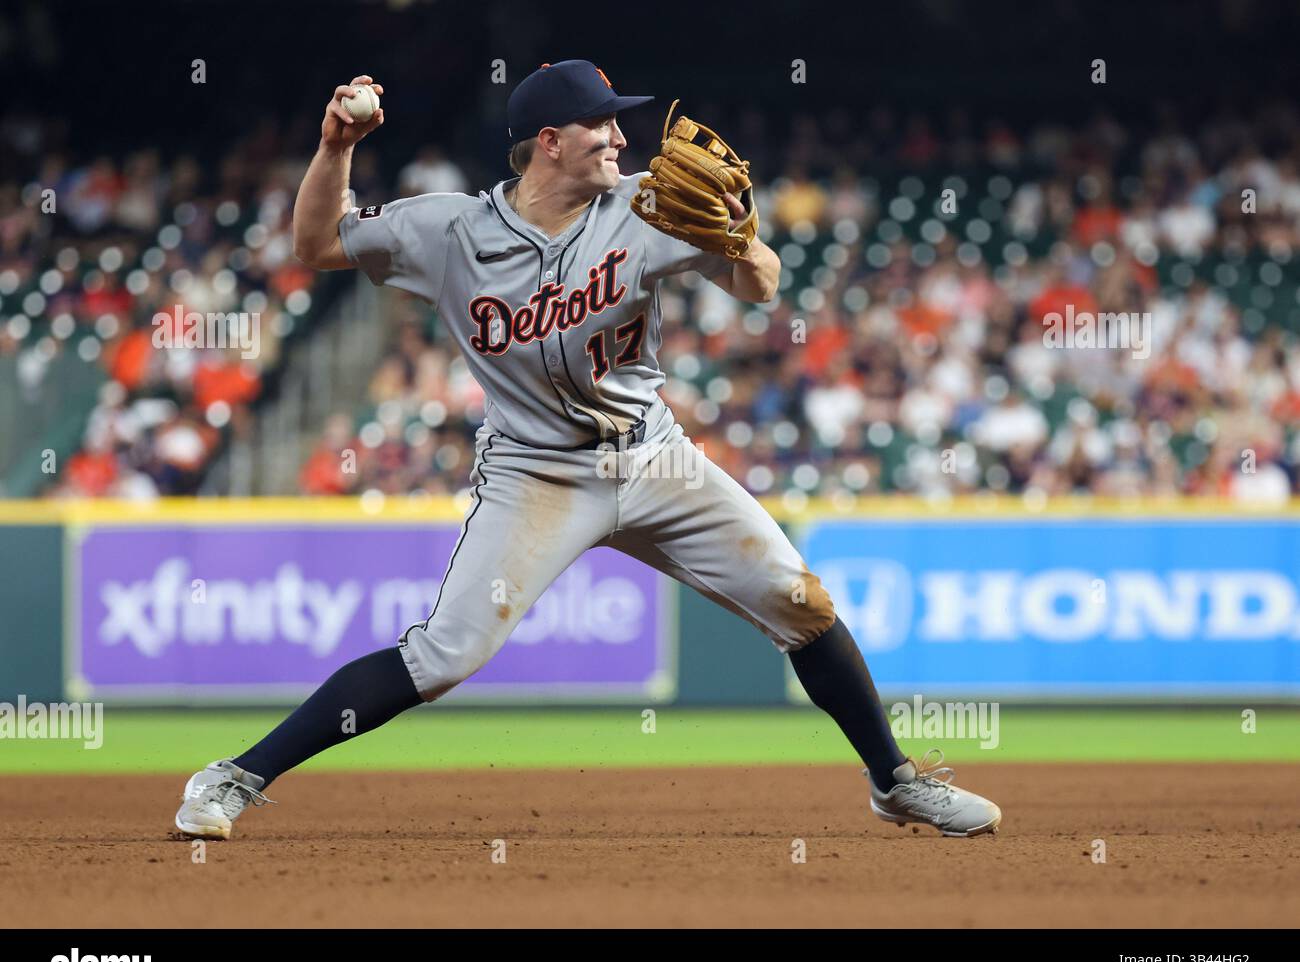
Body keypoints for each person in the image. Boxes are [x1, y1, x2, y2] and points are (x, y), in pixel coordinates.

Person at [175, 61, 1001, 841]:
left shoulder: (650, 206)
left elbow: (763, 286)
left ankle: (895, 781)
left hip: (655, 459)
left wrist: (742, 243)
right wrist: (336, 148)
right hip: (537, 474)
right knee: (442, 655)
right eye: (602, 125)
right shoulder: (450, 230)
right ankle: (235, 777)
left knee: (800, 602)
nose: (620, 139)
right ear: (549, 142)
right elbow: (315, 246)